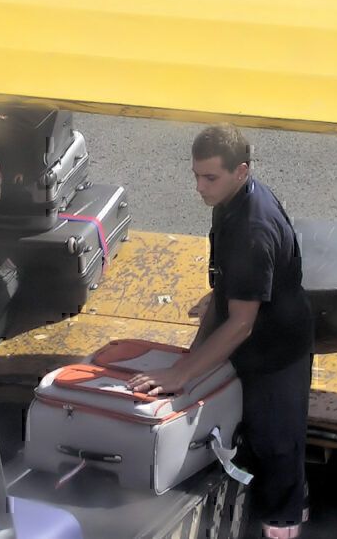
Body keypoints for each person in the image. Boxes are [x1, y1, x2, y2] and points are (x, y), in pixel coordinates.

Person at [128, 124, 314, 539]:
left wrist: (181, 373)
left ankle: (283, 527)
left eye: (209, 177)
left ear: (241, 171)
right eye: (195, 175)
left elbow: (241, 324)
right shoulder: (231, 199)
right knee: (247, 440)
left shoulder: (253, 229)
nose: (199, 186)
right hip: (255, 336)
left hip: (275, 354)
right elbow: (228, 292)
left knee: (278, 449)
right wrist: (203, 337)